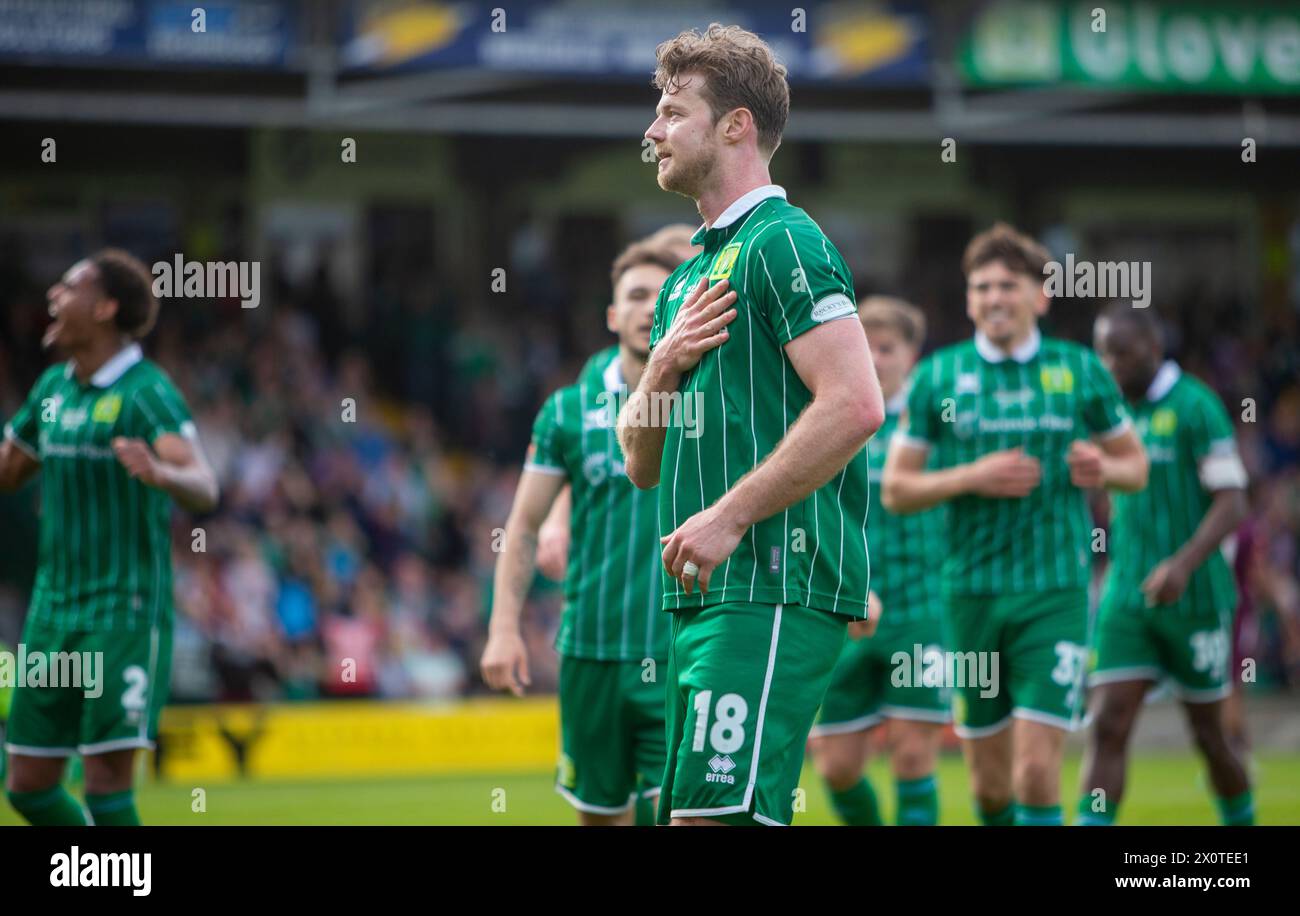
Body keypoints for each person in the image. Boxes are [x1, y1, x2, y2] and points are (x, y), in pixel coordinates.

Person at [621, 24, 884, 826]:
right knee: (705, 816)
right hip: (703, 599)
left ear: (735, 125)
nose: (652, 131)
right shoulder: (688, 278)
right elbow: (640, 462)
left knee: (713, 819)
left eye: (671, 112)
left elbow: (855, 404)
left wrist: (731, 515)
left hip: (776, 580)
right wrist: (661, 368)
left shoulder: (785, 242)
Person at [882, 224, 1148, 826]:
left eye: (1008, 285)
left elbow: (1136, 468)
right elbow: (897, 490)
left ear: (1040, 296)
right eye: (982, 287)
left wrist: (1102, 465)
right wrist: (969, 476)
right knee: (990, 786)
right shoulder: (938, 377)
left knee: (1035, 771)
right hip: (968, 593)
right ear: (969, 298)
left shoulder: (1079, 370)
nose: (995, 298)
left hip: (1053, 590)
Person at [0, 250, 219, 825]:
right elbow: (7, 472)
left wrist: (162, 472)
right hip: (52, 612)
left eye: (68, 287)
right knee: (26, 784)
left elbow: (204, 483)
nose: (53, 295)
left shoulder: (145, 392)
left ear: (104, 307)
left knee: (105, 784)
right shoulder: (52, 388)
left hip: (122, 614)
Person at [481, 242, 680, 825]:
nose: (649, 308)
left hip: (681, 651)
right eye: (635, 296)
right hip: (590, 654)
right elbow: (521, 525)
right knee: (600, 816)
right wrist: (501, 628)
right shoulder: (568, 411)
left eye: (662, 295)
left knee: (677, 814)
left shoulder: (714, 401)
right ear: (613, 316)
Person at [1077, 303, 1252, 826]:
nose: (1110, 366)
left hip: (1195, 596)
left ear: (1154, 350)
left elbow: (1233, 501)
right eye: (1102, 354)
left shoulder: (1196, 405)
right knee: (1107, 724)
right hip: (1127, 595)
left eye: (1121, 355)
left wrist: (1183, 564)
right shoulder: (1112, 413)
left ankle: (1241, 822)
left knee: (1209, 737)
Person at [808, 297, 949, 825]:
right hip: (846, 608)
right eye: (867, 344)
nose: (877, 357)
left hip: (923, 606)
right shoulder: (831, 418)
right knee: (836, 767)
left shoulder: (937, 421)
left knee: (913, 757)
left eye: (888, 347)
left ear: (913, 355)